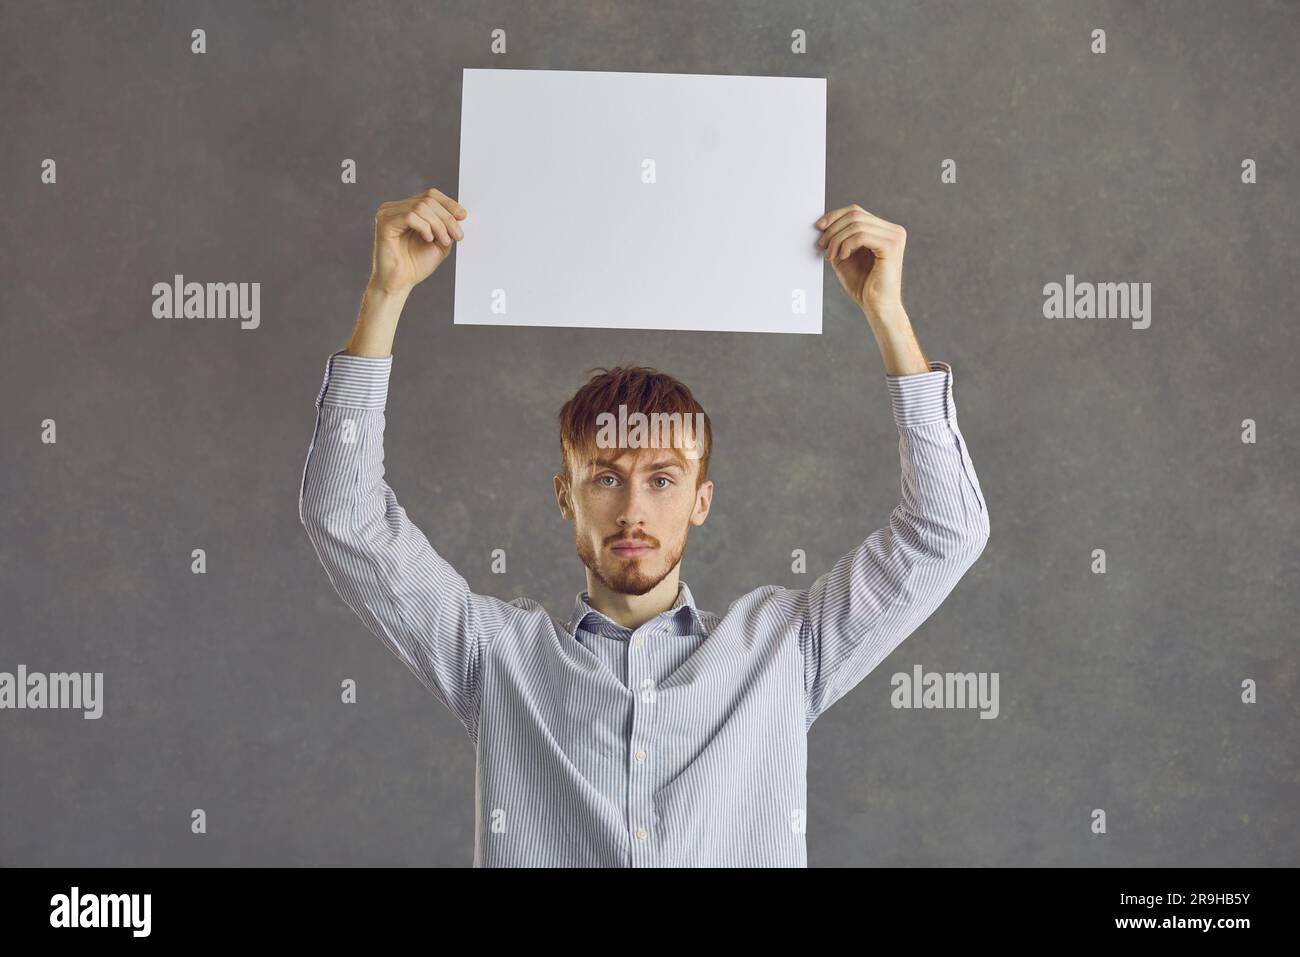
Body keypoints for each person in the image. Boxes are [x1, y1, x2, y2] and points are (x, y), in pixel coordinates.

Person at [299, 187, 990, 866]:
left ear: (701, 500)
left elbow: (946, 529)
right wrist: (383, 296)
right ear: (565, 496)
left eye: (662, 479)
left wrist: (888, 315)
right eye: (605, 477)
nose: (633, 509)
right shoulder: (497, 657)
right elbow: (345, 514)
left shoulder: (785, 650)